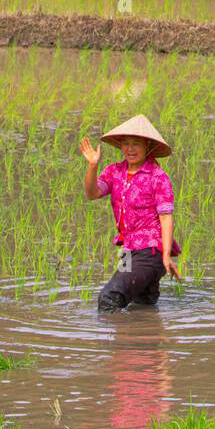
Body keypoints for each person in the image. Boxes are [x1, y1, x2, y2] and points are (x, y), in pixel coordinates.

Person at [80, 114, 180, 312]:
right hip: (126, 250)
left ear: (148, 146)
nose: (130, 149)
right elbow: (92, 193)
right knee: (141, 304)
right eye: (125, 144)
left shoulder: (157, 177)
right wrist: (92, 166)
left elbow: (166, 218)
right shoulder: (114, 171)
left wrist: (166, 255)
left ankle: (119, 342)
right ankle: (146, 337)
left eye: (136, 144)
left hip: (150, 251)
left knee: (109, 298)